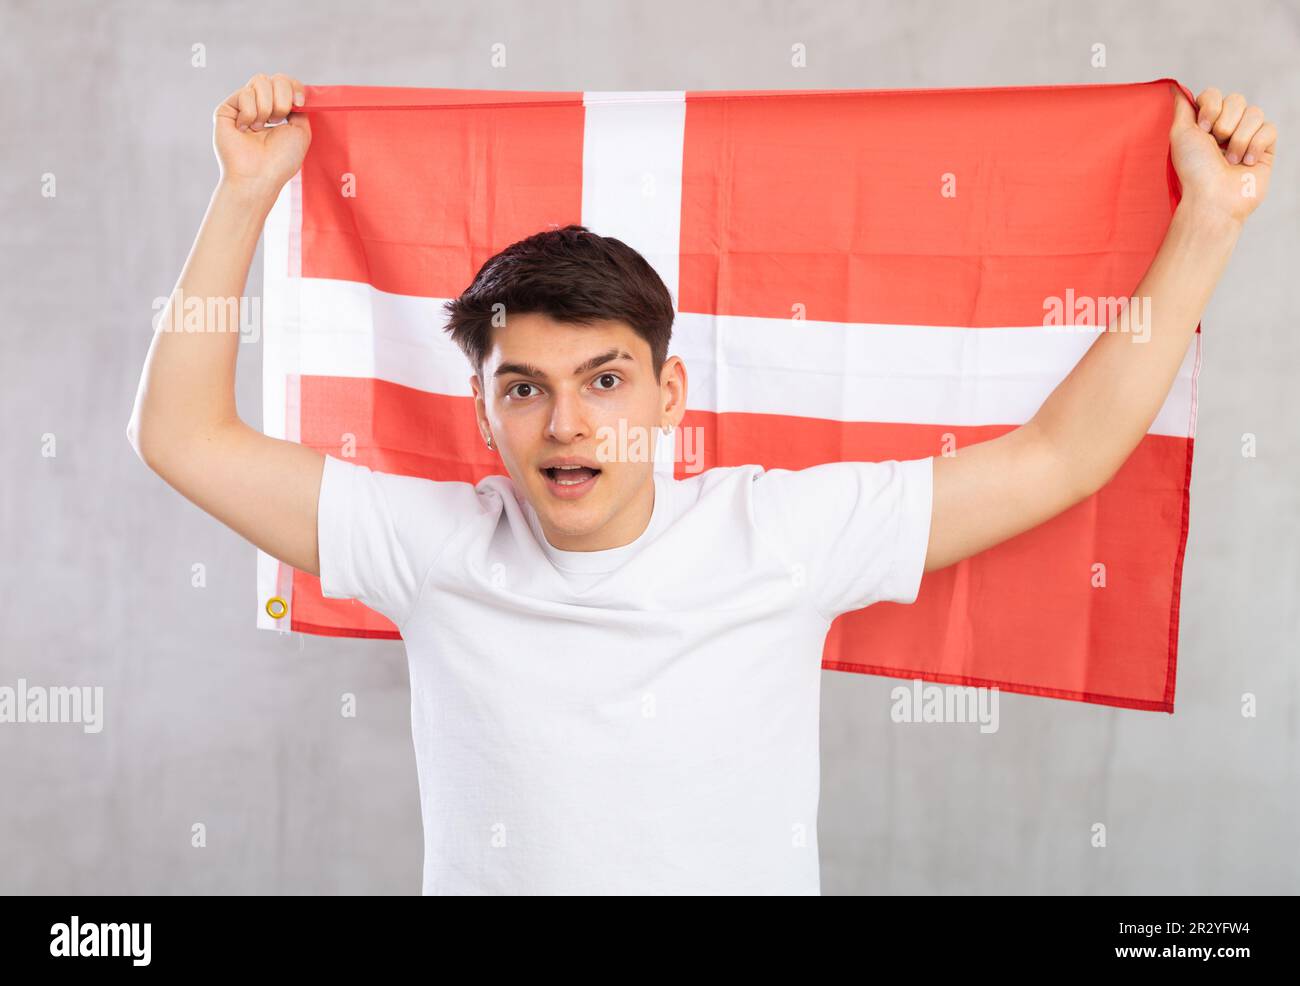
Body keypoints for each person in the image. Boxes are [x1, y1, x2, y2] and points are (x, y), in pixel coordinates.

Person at [126, 73, 1276, 894]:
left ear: (670, 395)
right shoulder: (425, 542)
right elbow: (179, 434)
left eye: (605, 380)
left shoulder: (781, 529)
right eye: (523, 387)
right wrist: (246, 194)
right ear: (482, 410)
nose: (568, 423)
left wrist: (1210, 225)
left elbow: (1060, 455)